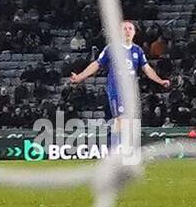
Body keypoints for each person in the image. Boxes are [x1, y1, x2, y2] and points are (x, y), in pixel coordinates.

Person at [70, 19, 170, 149]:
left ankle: (121, 148)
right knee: (121, 119)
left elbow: (147, 69)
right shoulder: (112, 48)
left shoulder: (137, 51)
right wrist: (79, 77)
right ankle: (117, 150)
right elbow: (96, 64)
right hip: (116, 89)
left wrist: (160, 81)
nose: (127, 31)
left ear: (134, 32)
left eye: (130, 29)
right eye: (124, 28)